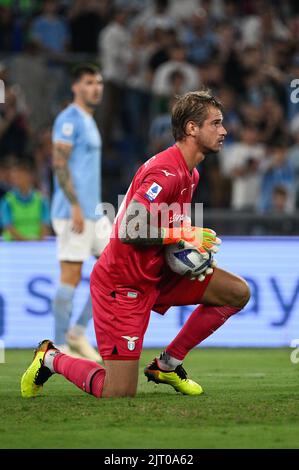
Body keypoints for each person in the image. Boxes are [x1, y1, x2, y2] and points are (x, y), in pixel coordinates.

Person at [21, 90, 250, 399]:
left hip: (157, 273)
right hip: (123, 284)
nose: (223, 131)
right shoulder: (165, 172)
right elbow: (130, 227)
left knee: (236, 292)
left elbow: (165, 224)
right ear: (192, 128)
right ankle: (50, 357)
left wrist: (191, 247)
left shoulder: (190, 174)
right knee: (117, 392)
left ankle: (168, 364)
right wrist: (181, 236)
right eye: (216, 123)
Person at [50, 64, 111, 362]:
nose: (96, 88)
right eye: (89, 82)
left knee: (117, 268)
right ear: (76, 86)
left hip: (95, 213)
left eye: (98, 82)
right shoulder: (69, 119)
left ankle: (78, 331)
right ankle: (59, 346)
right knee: (70, 277)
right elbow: (59, 164)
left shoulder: (89, 119)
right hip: (72, 212)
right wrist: (74, 205)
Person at [1, 159, 50, 241]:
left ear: (29, 176)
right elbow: (8, 226)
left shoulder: (41, 200)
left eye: (20, 175)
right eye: (14, 176)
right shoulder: (7, 201)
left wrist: (37, 242)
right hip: (12, 246)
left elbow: (45, 226)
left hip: (36, 246)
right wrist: (26, 241)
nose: (16, 178)